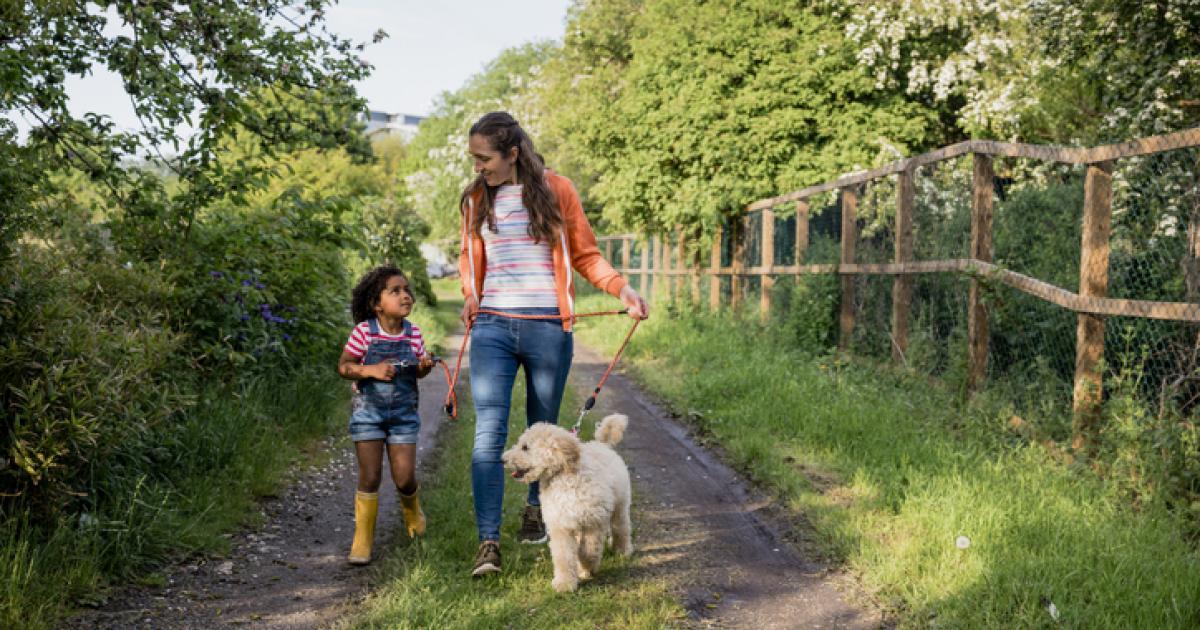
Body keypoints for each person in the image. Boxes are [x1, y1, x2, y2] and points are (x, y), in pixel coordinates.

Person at [458, 111, 648, 577]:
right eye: (474, 159)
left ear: (513, 153)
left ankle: (534, 508)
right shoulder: (475, 198)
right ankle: (488, 543)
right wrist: (470, 296)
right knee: (488, 435)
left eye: (485, 158)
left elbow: (585, 253)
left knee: (541, 432)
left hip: (547, 328)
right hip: (493, 329)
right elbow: (468, 256)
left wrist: (622, 290)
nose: (478, 167)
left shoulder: (557, 190)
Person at [336, 266, 434, 565]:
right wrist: (370, 370)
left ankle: (412, 510)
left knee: (404, 478)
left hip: (403, 415)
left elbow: (417, 368)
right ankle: (363, 537)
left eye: (407, 290)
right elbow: (344, 366)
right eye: (395, 291)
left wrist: (423, 368)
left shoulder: (413, 332)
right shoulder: (364, 332)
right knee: (371, 476)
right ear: (377, 303)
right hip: (369, 414)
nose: (405, 295)